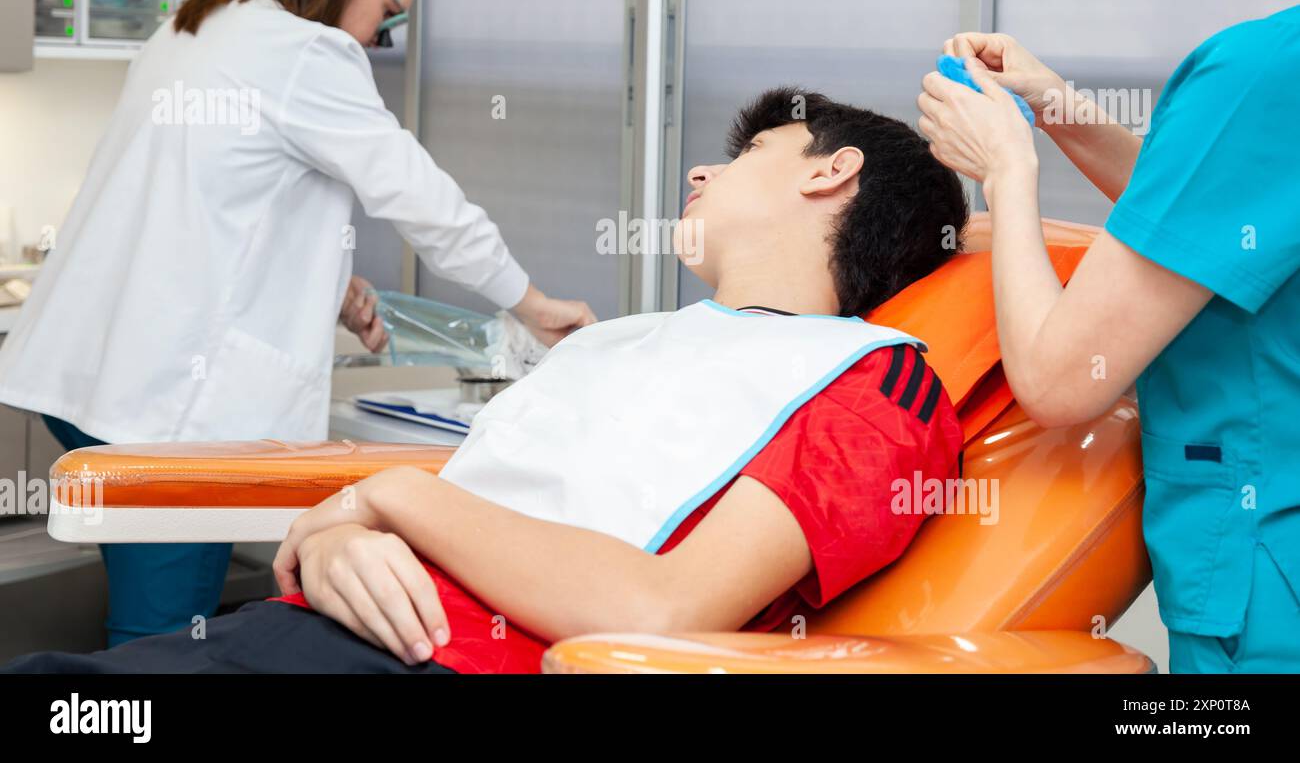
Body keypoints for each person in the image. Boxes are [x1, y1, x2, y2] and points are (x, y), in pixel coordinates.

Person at [2, 87, 968, 673]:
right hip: (312, 630)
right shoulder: (618, 342)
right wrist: (338, 534)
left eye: (749, 153)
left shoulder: (872, 388)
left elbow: (659, 612)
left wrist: (383, 498)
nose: (703, 175)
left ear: (831, 174)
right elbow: (471, 506)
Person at [0, 0, 594, 648]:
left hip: (94, 382)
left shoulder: (196, 26)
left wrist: (321, 282)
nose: (381, 40)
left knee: (159, 627)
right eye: (390, 15)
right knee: (164, 646)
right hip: (172, 417)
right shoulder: (307, 52)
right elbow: (422, 200)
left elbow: (205, 204)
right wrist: (533, 304)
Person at [916, 0, 1300, 673]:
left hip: (1272, 577)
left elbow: (1060, 379)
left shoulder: (1259, 71)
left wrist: (1008, 171)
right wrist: (1059, 110)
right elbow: (1222, 220)